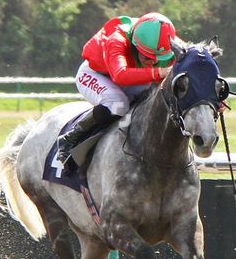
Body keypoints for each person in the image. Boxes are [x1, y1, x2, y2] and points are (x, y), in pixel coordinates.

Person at [55, 12, 178, 173]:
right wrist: (159, 72)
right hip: (96, 74)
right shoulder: (117, 39)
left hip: (129, 76)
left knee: (154, 98)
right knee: (118, 103)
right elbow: (120, 75)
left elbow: (193, 59)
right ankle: (71, 138)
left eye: (158, 57)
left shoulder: (166, 40)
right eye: (148, 57)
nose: (154, 62)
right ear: (135, 45)